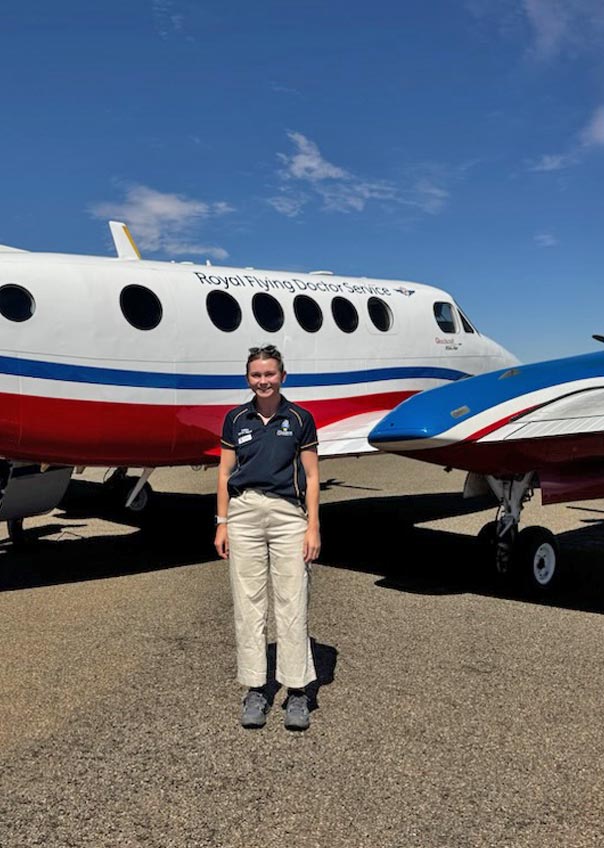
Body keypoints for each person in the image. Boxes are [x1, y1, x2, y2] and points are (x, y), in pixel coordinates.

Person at [214, 344, 320, 731]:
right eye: (256, 375)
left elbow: (311, 477)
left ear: (282, 376)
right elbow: (225, 473)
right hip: (243, 515)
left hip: (288, 515)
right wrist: (222, 522)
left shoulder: (300, 418)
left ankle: (296, 692)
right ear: (248, 379)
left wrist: (312, 527)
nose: (263, 381)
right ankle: (256, 688)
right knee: (248, 603)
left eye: (270, 374)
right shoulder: (235, 419)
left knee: (292, 601)